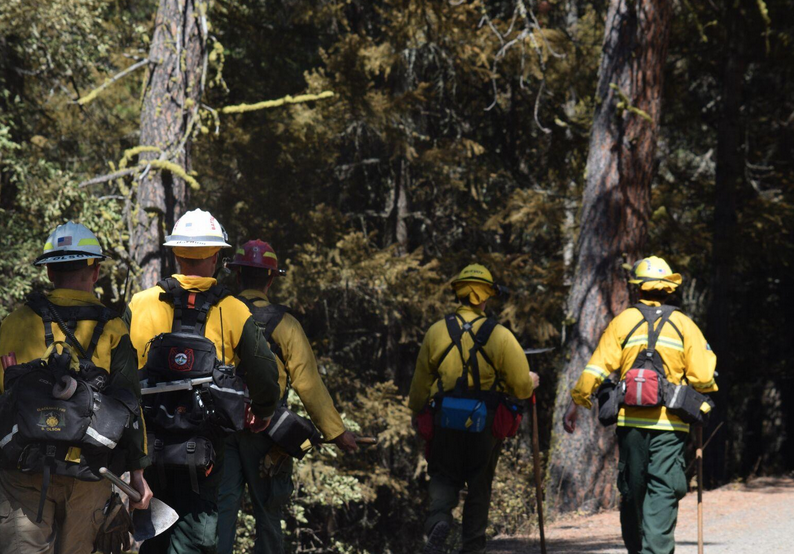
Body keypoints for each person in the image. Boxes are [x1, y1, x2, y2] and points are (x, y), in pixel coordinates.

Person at [124, 210, 280, 554]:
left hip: (148, 446)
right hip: (204, 449)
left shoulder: (140, 304)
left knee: (151, 533)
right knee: (197, 534)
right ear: (216, 256)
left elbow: (116, 376)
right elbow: (266, 376)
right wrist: (264, 411)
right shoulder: (234, 309)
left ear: (176, 254)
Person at [0, 221, 153, 554]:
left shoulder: (13, 322)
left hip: (22, 470)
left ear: (50, 272)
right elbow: (131, 404)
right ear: (95, 271)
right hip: (91, 471)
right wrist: (138, 474)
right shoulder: (113, 328)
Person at [563, 256, 718, 554]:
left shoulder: (623, 321)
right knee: (663, 487)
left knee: (632, 489)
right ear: (668, 289)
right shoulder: (685, 325)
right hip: (671, 425)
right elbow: (703, 376)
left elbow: (597, 366)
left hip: (630, 423)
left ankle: (637, 548)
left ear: (638, 288)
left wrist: (577, 403)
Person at [217, 239, 359, 554]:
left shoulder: (217, 315)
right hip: (267, 431)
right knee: (268, 513)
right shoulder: (286, 324)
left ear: (237, 275)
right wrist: (336, 433)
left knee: (221, 511)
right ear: (271, 279)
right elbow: (309, 385)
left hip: (221, 428)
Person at [408, 264, 540, 554]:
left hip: (444, 418)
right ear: (486, 296)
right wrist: (531, 382)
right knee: (479, 485)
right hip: (484, 423)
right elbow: (520, 386)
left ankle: (439, 520)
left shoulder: (436, 332)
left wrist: (417, 412)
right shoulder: (500, 335)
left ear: (459, 292)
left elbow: (419, 386)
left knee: (443, 476)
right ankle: (472, 547)